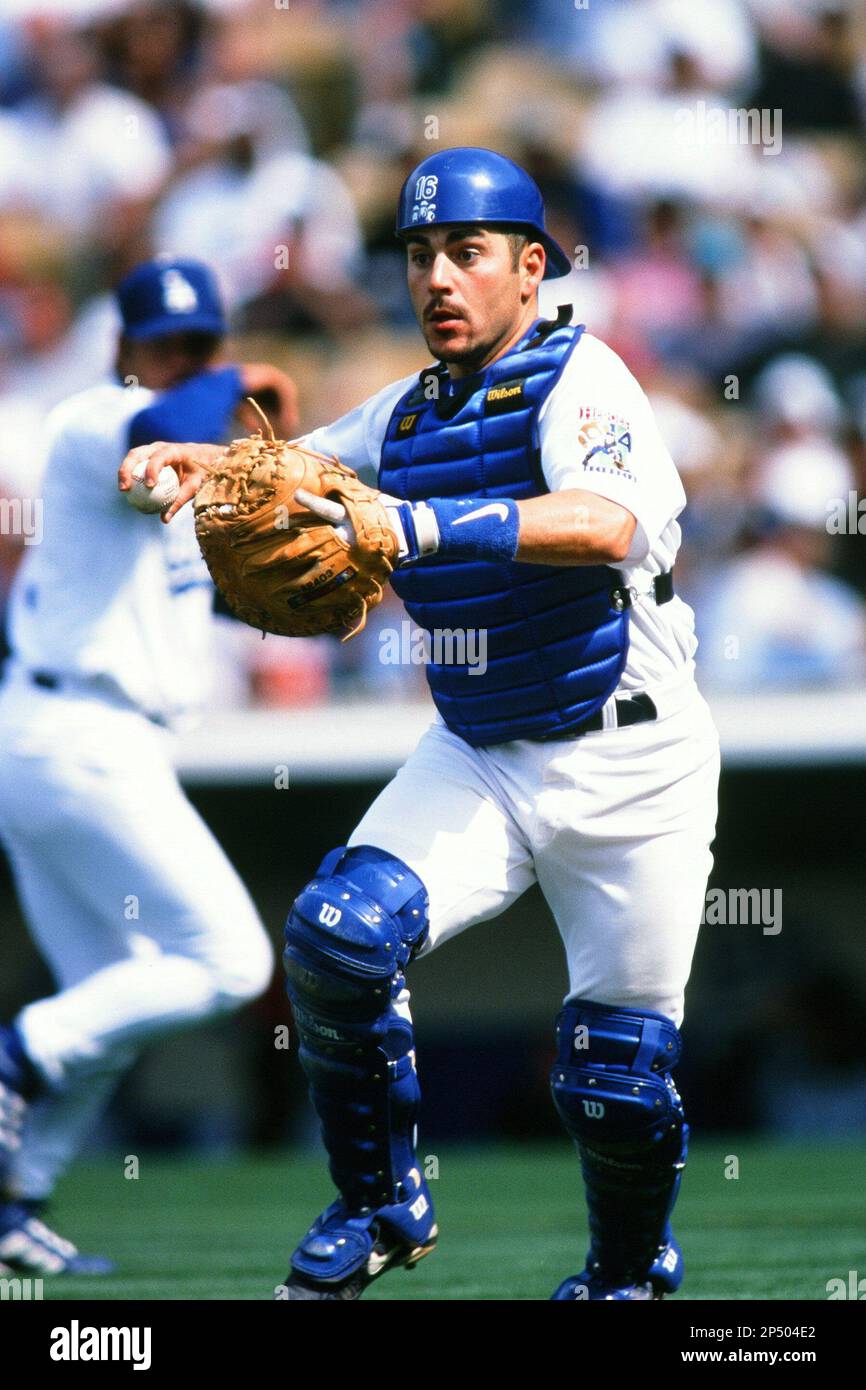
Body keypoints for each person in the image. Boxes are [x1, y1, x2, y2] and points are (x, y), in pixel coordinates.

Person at [121, 149, 721, 1301]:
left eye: (466, 252)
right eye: (418, 255)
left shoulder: (583, 378)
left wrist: (421, 528)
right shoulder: (410, 408)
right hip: (482, 752)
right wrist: (197, 461)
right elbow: (294, 466)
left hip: (632, 757)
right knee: (338, 939)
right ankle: (380, 1202)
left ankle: (627, 1273)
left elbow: (601, 523)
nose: (438, 277)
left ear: (529, 266)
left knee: (616, 1081)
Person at [0, 256, 295, 1276]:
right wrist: (247, 379)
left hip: (77, 741)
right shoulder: (92, 423)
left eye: (195, 345)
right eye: (159, 344)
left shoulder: (206, 461)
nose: (176, 361)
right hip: (74, 734)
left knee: (116, 991)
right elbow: (150, 435)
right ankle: (16, 1054)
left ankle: (12, 1202)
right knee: (230, 961)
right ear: (123, 349)